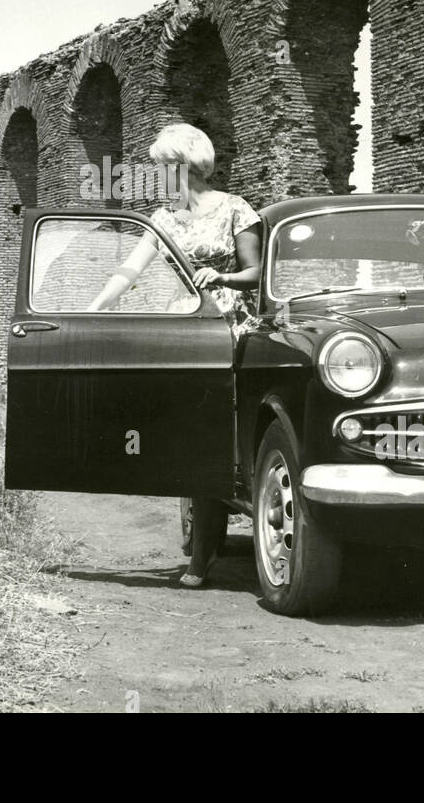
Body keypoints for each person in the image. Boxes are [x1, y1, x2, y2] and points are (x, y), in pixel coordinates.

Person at [87, 123, 261, 587]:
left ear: (183, 167)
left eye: (161, 167)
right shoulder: (161, 218)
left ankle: (211, 550)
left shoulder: (235, 208)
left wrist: (220, 278)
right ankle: (201, 552)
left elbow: (258, 272)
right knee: (192, 442)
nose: (156, 176)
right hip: (181, 331)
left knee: (220, 438)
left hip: (228, 330)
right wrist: (92, 310)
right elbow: (129, 270)